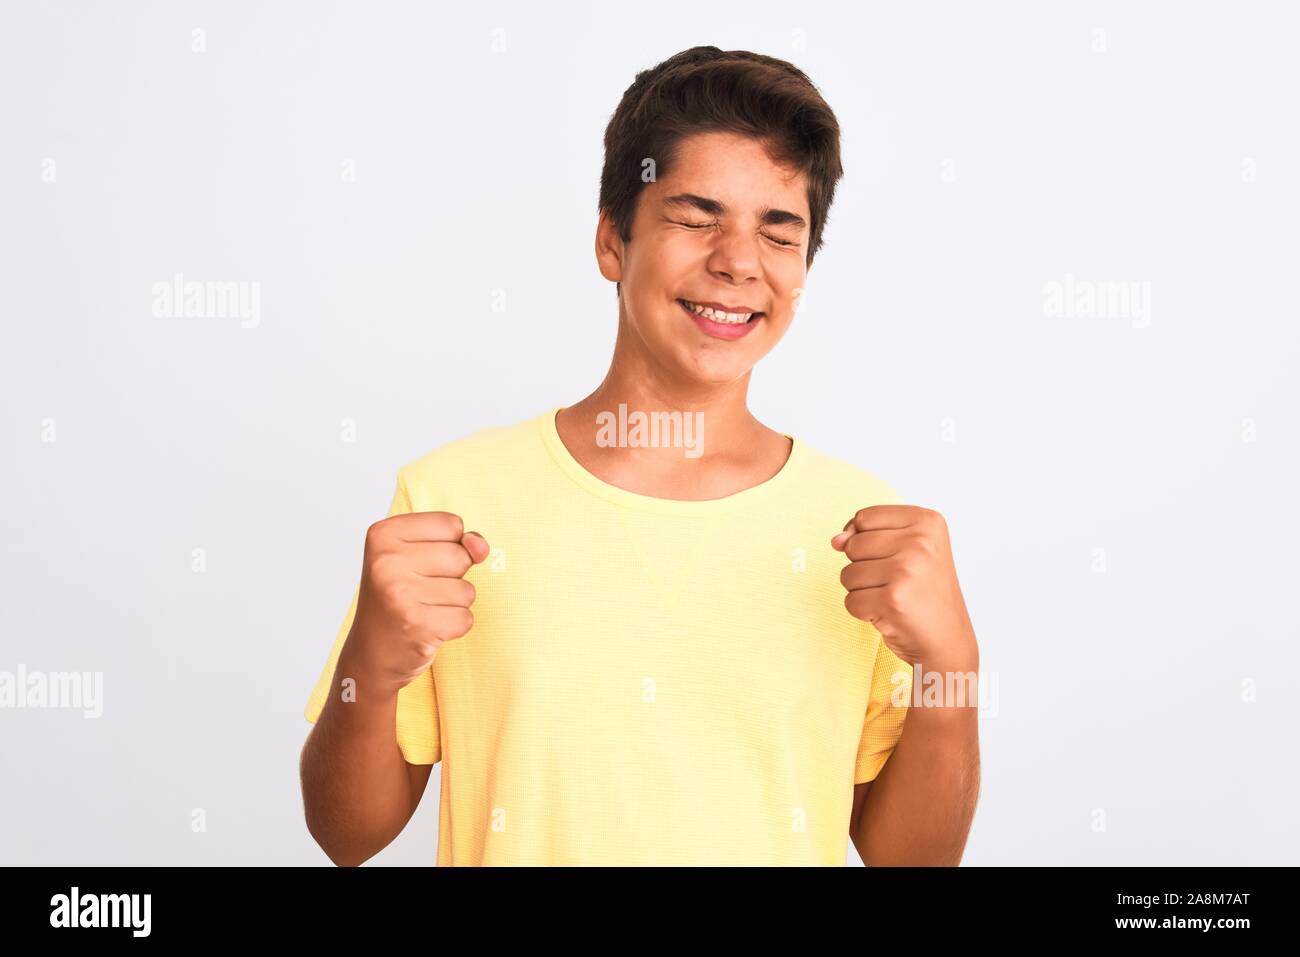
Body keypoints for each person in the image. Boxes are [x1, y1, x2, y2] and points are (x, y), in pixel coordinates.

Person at [300, 46, 980, 866]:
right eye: (696, 217)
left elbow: (912, 859)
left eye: (778, 230)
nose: (737, 261)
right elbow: (347, 834)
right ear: (612, 243)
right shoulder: (453, 501)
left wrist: (953, 667)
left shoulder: (865, 535)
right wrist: (367, 671)